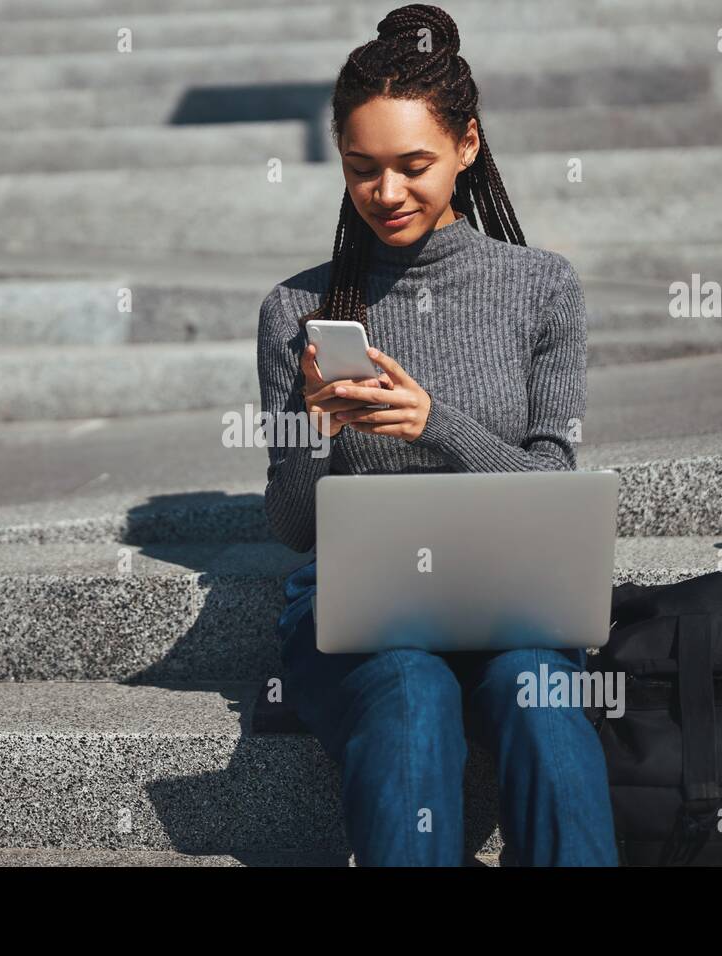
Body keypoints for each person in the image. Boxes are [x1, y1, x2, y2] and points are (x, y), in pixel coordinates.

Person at [256, 4, 619, 866]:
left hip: (516, 599)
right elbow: (294, 530)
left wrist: (436, 425)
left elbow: (555, 486)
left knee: (537, 693)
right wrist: (311, 430)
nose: (387, 194)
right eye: (362, 169)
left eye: (414, 165)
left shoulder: (541, 287)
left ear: (467, 145)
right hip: (359, 612)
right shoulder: (296, 311)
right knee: (412, 692)